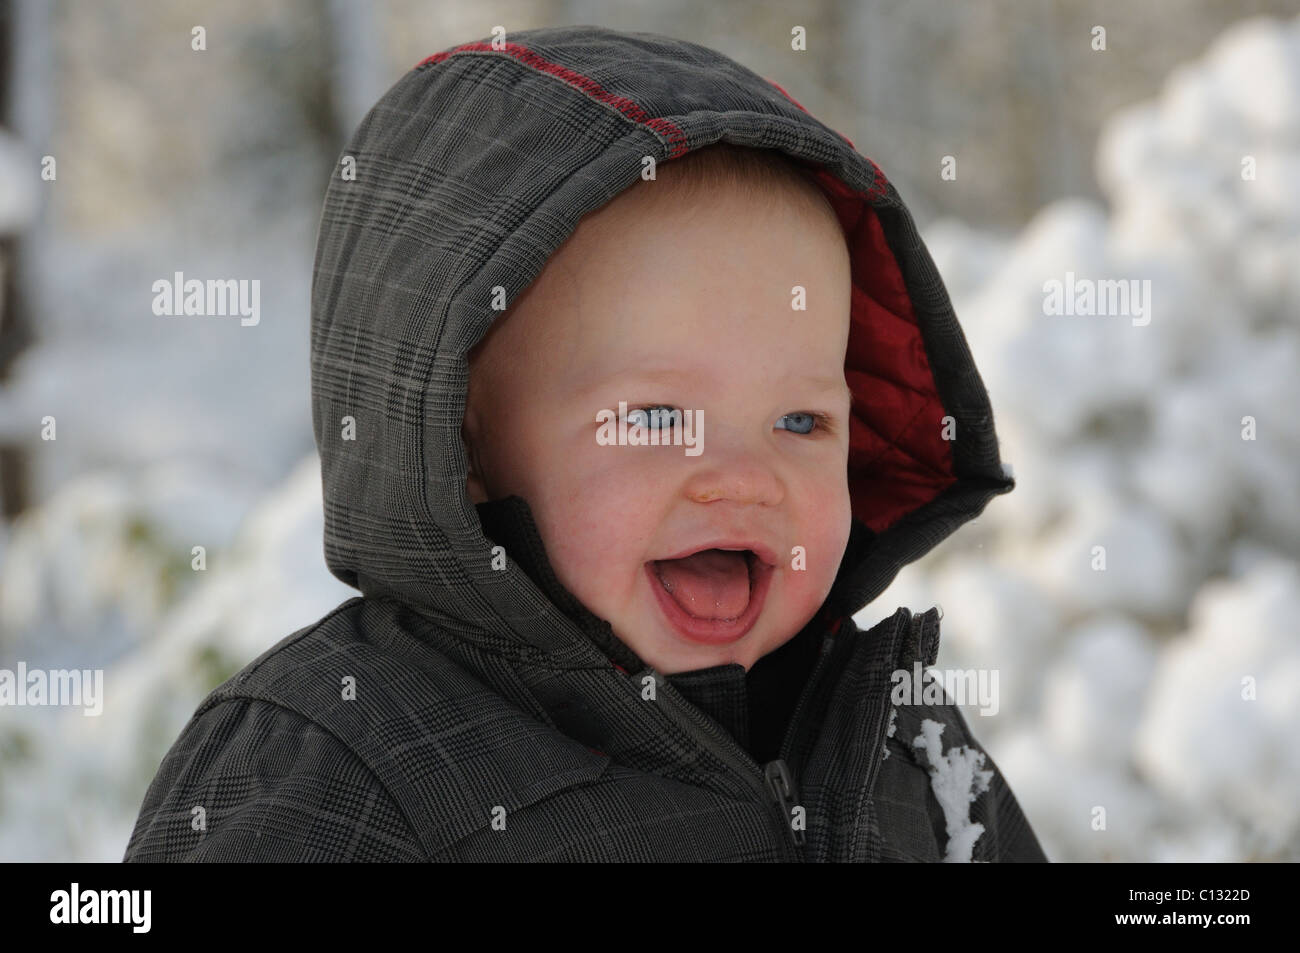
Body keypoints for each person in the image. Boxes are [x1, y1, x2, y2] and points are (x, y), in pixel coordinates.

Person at [123, 25, 1047, 862]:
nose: (742, 479)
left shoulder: (896, 738)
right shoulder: (344, 760)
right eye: (654, 418)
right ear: (464, 443)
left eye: (801, 421)